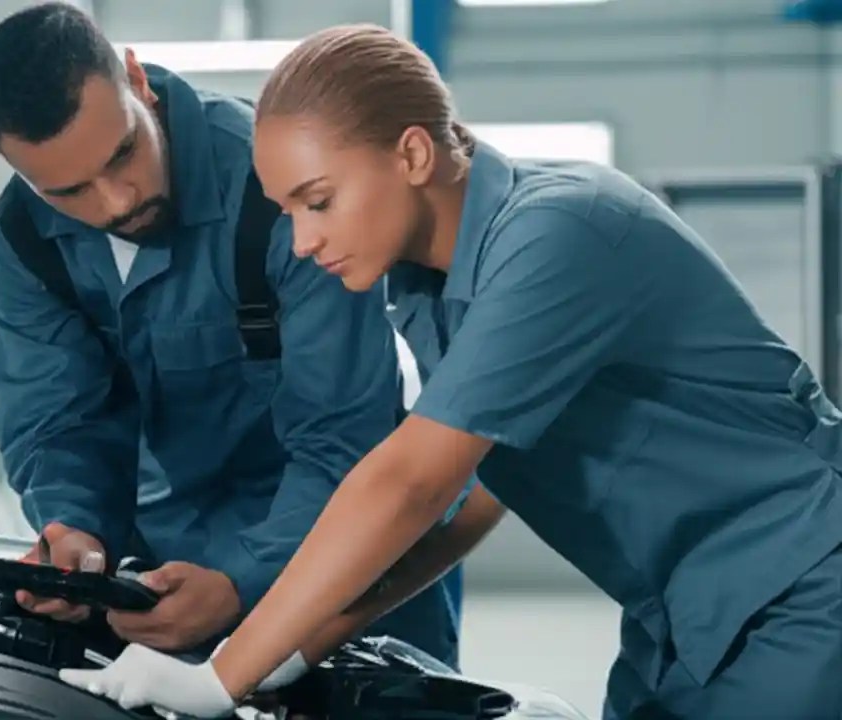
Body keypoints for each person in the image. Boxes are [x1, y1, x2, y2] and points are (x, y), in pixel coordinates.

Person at [58, 23, 842, 719]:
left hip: (801, 583)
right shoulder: (427, 291)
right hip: (676, 616)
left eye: (318, 201)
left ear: (412, 153)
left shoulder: (558, 233)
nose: (298, 242)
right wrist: (291, 652)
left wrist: (224, 675)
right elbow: (466, 507)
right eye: (286, 211)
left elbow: (410, 482)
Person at [0, 4, 497, 663]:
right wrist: (79, 537)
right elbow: (58, 422)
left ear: (137, 81)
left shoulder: (280, 188)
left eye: (124, 152)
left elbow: (340, 436)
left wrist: (242, 580)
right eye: (69, 191)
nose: (116, 201)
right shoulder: (23, 237)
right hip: (171, 574)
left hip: (347, 562)